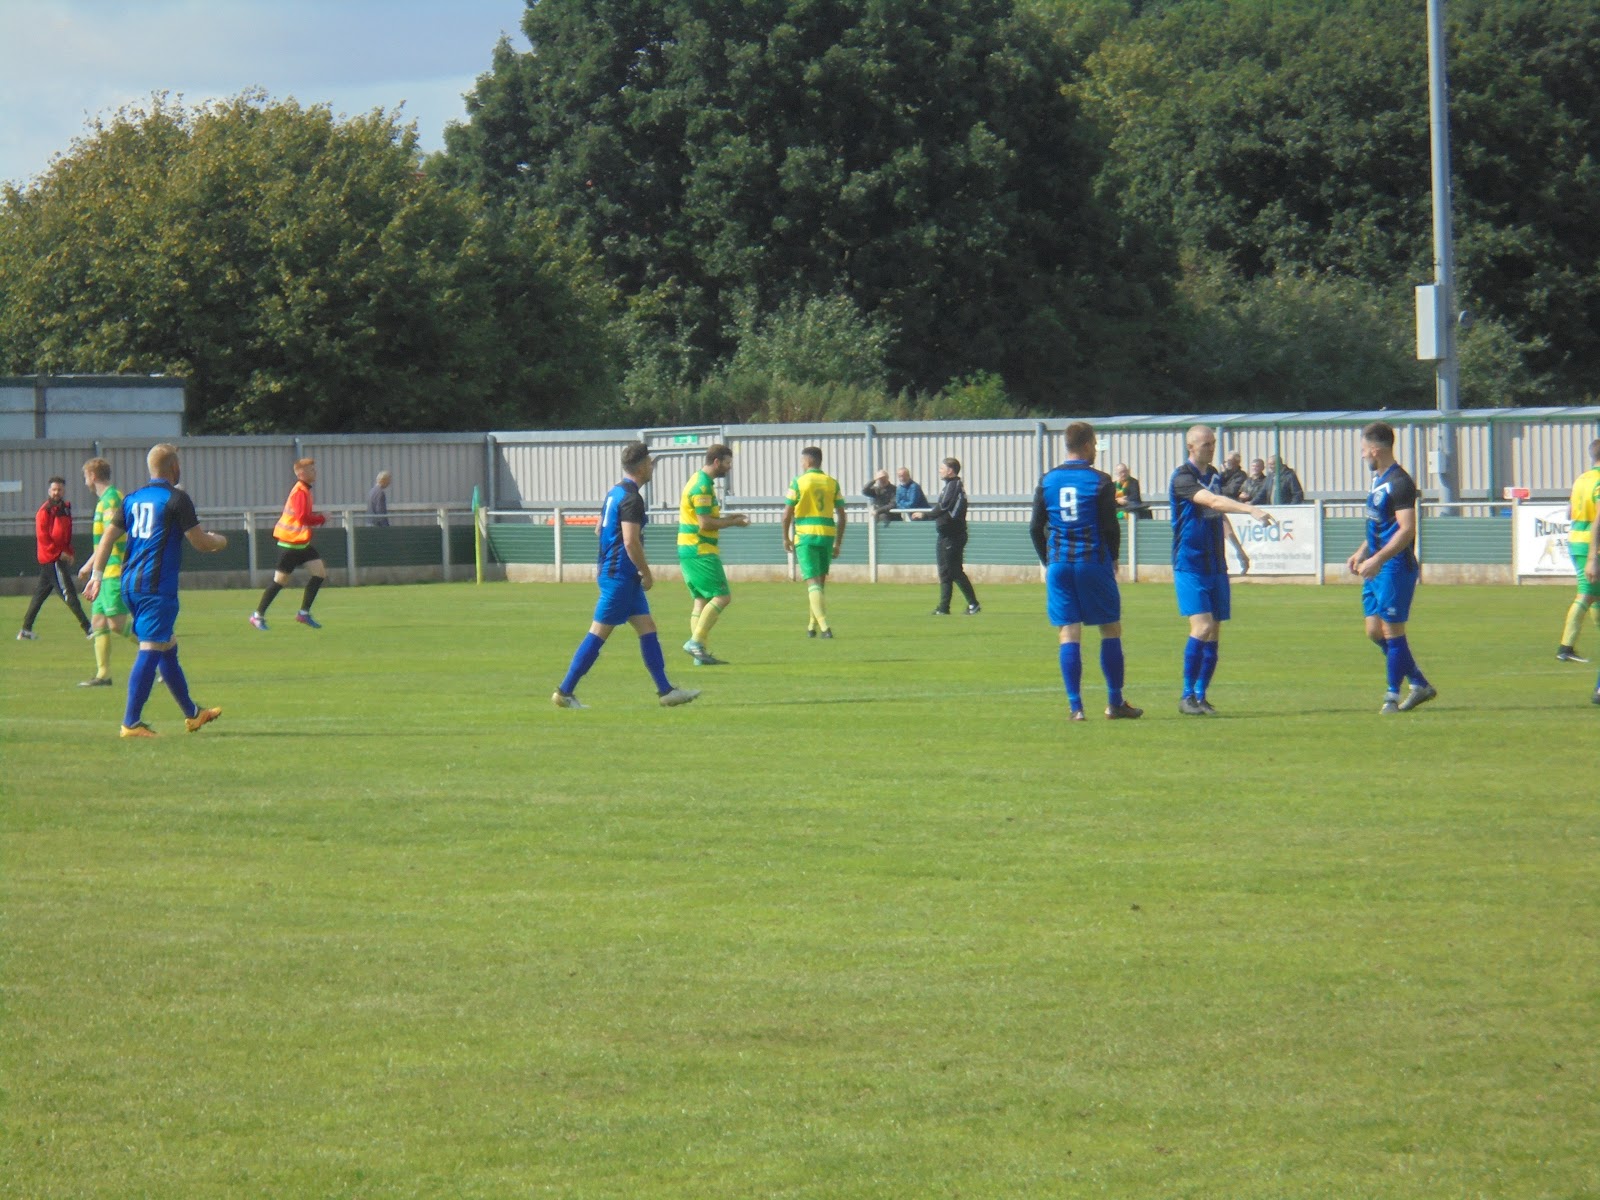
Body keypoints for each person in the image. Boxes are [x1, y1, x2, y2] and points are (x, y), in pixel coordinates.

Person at [82, 444, 229, 737]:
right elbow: (199, 542)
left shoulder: (133, 499)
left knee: (167, 648)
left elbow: (107, 539)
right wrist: (219, 541)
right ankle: (131, 723)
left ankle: (193, 714)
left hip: (129, 584)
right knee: (150, 649)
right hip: (156, 586)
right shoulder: (176, 499)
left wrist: (96, 575)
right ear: (173, 467)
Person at [553, 442, 700, 709]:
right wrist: (646, 572)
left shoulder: (615, 492)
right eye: (651, 462)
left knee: (647, 627)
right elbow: (631, 541)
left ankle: (666, 691)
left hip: (620, 575)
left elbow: (600, 529)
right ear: (643, 465)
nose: (652, 466)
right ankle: (564, 691)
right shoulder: (632, 498)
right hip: (620, 576)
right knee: (598, 633)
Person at [1030, 422, 1143, 721]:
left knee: (1068, 633)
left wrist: (1048, 560)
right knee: (1110, 629)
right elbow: (1110, 525)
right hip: (1092, 562)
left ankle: (1076, 707)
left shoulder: (1047, 480)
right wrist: (1115, 558)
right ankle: (1114, 703)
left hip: (1059, 565)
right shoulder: (1101, 481)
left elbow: (1034, 527)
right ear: (1088, 445)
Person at [1169, 424, 1275, 715]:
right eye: (1205, 444)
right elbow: (1213, 501)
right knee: (1201, 627)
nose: (1211, 448)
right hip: (1190, 563)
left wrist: (1237, 547)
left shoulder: (1213, 475)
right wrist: (1251, 510)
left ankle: (1201, 696)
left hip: (1215, 563)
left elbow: (1218, 513)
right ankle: (1187, 695)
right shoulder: (1183, 478)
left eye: (1213, 443)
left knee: (1214, 632)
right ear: (1191, 447)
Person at [1346, 421, 1436, 715]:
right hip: (1377, 564)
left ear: (1375, 449)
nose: (1362, 456)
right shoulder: (1378, 480)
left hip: (1395, 566)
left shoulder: (1400, 483)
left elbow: (1406, 530)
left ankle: (1391, 696)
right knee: (1374, 631)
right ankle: (1419, 683)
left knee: (1392, 629)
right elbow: (1379, 523)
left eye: (1363, 450)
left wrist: (1378, 559)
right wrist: (1361, 552)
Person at [679, 444, 750, 665]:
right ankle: (695, 642)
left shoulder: (698, 480)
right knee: (722, 596)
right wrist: (734, 523)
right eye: (728, 463)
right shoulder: (702, 487)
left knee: (701, 600)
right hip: (700, 549)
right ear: (717, 462)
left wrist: (730, 517)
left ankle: (699, 656)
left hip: (689, 549)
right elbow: (705, 522)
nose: (729, 468)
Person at [250, 458, 329, 630]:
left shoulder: (305, 490)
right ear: (301, 473)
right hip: (290, 545)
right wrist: (322, 518)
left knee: (320, 573)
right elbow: (301, 517)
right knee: (280, 581)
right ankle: (257, 616)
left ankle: (304, 613)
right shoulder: (300, 491)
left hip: (301, 543)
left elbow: (301, 516)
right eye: (311, 470)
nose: (315, 472)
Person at [75, 458, 131, 686]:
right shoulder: (103, 502)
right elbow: (102, 544)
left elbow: (112, 537)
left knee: (116, 624)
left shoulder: (111, 500)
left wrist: (92, 566)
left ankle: (162, 650)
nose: (85, 480)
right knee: (98, 621)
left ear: (93, 475)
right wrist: (89, 566)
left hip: (113, 570)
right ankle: (103, 675)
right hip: (103, 572)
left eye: (86, 475)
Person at [17, 476, 93, 641]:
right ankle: (88, 628)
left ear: (63, 490)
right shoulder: (44, 511)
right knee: (69, 593)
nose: (57, 492)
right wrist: (59, 553)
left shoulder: (65, 509)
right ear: (49, 491)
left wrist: (69, 552)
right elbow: (43, 537)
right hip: (52, 559)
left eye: (59, 489)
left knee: (39, 596)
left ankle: (25, 630)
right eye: (54, 489)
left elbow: (66, 534)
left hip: (59, 557)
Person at [782, 446, 846, 637]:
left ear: (808, 461)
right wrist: (838, 543)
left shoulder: (798, 482)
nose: (801, 464)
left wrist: (785, 537)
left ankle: (825, 627)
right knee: (820, 583)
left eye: (802, 461)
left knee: (812, 582)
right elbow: (842, 516)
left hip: (805, 536)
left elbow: (786, 515)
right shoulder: (832, 483)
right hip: (826, 535)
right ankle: (812, 625)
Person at [1555, 438, 1600, 662]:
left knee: (1596, 594)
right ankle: (1566, 647)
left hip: (1576, 539)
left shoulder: (1582, 479)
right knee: (1587, 593)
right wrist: (1593, 555)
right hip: (1592, 544)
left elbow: (1569, 511)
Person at [922, 457, 980, 615]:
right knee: (944, 571)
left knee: (954, 570)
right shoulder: (949, 486)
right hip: (945, 535)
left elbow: (943, 507)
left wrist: (925, 515)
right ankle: (943, 607)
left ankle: (973, 604)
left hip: (953, 535)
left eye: (942, 468)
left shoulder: (953, 486)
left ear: (950, 470)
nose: (940, 471)